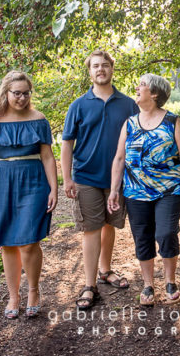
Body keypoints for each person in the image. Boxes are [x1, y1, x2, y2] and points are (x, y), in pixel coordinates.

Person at [0, 70, 58, 319]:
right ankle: (13, 296)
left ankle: (33, 290)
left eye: (26, 93)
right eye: (16, 93)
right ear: (6, 93)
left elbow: (47, 156)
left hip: (32, 181)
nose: (21, 98)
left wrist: (54, 188)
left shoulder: (38, 119)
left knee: (29, 242)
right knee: (8, 242)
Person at [108, 74, 180, 307]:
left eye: (142, 85)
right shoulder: (130, 123)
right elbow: (119, 158)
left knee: (166, 233)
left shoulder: (172, 121)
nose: (137, 87)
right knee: (142, 236)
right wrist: (114, 190)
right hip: (136, 191)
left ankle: (170, 281)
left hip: (170, 189)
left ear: (154, 93)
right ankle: (148, 284)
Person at [62, 50, 139, 310]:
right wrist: (67, 178)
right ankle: (89, 285)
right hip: (86, 176)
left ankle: (105, 271)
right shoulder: (78, 105)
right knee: (91, 228)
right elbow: (66, 143)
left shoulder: (128, 104)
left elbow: (139, 138)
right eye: (95, 66)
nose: (100, 69)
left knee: (109, 225)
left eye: (105, 65)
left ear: (112, 70)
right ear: (90, 71)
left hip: (118, 179)